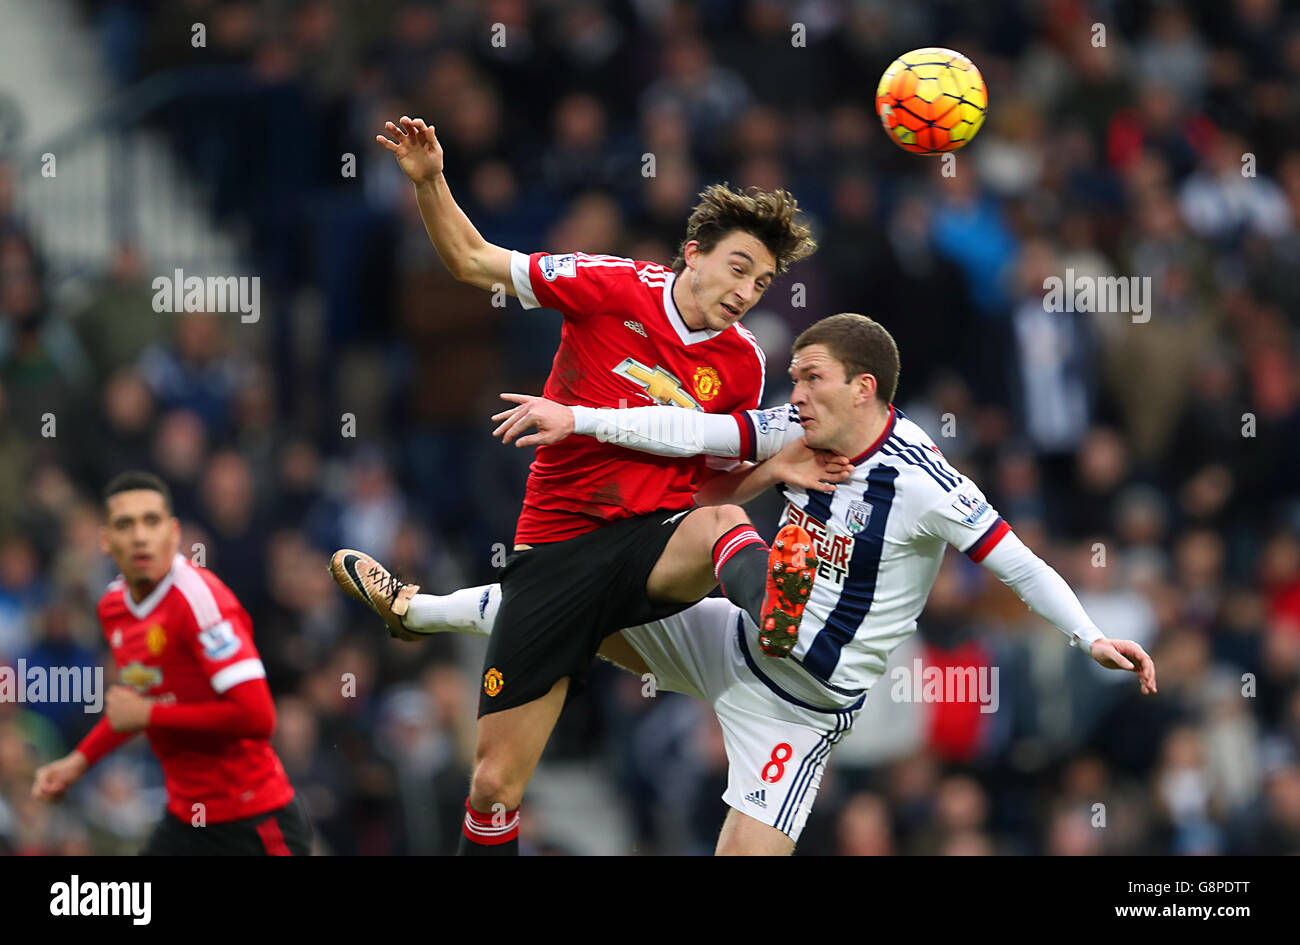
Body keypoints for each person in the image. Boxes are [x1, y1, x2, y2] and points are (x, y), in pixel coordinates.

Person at [400, 313, 1158, 854]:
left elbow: (1016, 561)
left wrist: (1089, 634)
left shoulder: (925, 481)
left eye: (809, 377)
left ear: (863, 388)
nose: (793, 391)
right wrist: (578, 417)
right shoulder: (794, 433)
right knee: (595, 586)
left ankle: (765, 604)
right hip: (730, 638)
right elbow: (692, 433)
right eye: (792, 376)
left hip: (799, 710)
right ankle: (421, 610)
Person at [331, 116, 824, 855]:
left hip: (649, 547)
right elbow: (471, 260)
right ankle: (422, 611)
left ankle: (777, 618)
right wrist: (431, 180)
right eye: (738, 267)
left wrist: (775, 468)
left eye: (761, 280)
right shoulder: (610, 285)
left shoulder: (744, 364)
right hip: (558, 545)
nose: (747, 290)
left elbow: (710, 491)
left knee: (721, 532)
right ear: (693, 253)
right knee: (494, 788)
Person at [31, 471, 311, 855]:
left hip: (254, 821)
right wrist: (79, 762)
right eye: (125, 524)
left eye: (152, 521)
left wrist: (150, 714)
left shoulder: (200, 602)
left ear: (173, 532)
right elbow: (136, 701)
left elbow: (259, 716)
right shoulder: (113, 608)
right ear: (106, 541)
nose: (140, 536)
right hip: (187, 820)